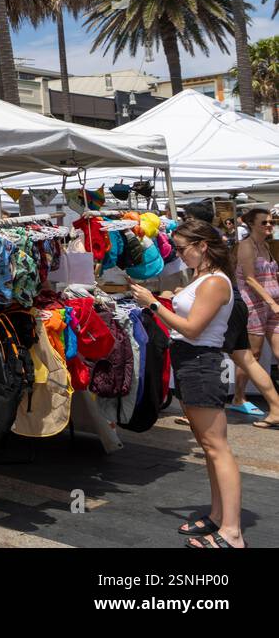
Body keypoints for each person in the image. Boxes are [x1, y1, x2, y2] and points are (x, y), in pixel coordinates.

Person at [130, 220, 247, 548]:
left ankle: (232, 532)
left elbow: (193, 328)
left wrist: (152, 304)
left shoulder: (214, 282)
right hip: (191, 361)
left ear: (203, 246)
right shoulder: (203, 279)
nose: (178, 254)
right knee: (210, 448)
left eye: (182, 249)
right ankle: (219, 517)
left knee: (216, 448)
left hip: (200, 363)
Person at [230, 208, 279, 425]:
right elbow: (249, 279)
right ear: (250, 224)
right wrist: (270, 302)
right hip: (255, 305)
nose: (269, 225)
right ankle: (239, 397)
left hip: (273, 304)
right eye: (264, 223)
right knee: (253, 355)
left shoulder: (266, 246)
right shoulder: (246, 247)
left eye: (271, 222)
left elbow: (271, 276)